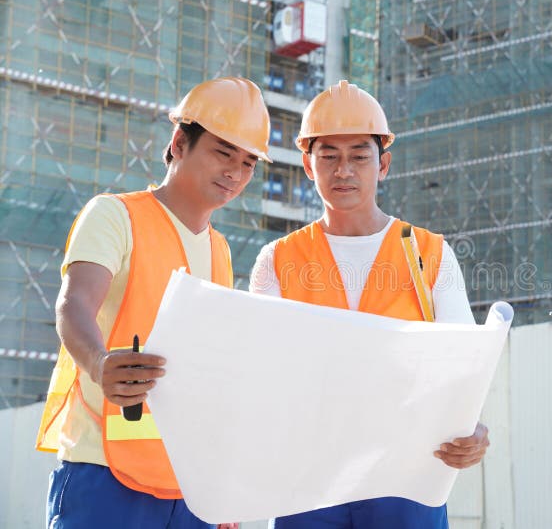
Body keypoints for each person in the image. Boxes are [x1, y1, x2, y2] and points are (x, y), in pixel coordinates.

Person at [249, 80, 490, 529]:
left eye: (359, 156)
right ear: (307, 164)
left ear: (384, 165)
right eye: (329, 157)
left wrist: (473, 425)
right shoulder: (277, 261)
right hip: (308, 479)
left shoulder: (429, 253)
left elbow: (465, 362)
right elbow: (262, 369)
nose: (344, 170)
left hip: (407, 476)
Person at [36, 77, 271, 528]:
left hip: (190, 484)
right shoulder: (115, 215)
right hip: (104, 471)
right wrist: (100, 362)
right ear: (180, 142)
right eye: (223, 153)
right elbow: (74, 304)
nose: (235, 173)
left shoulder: (219, 250)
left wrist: (222, 484)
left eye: (248, 163)